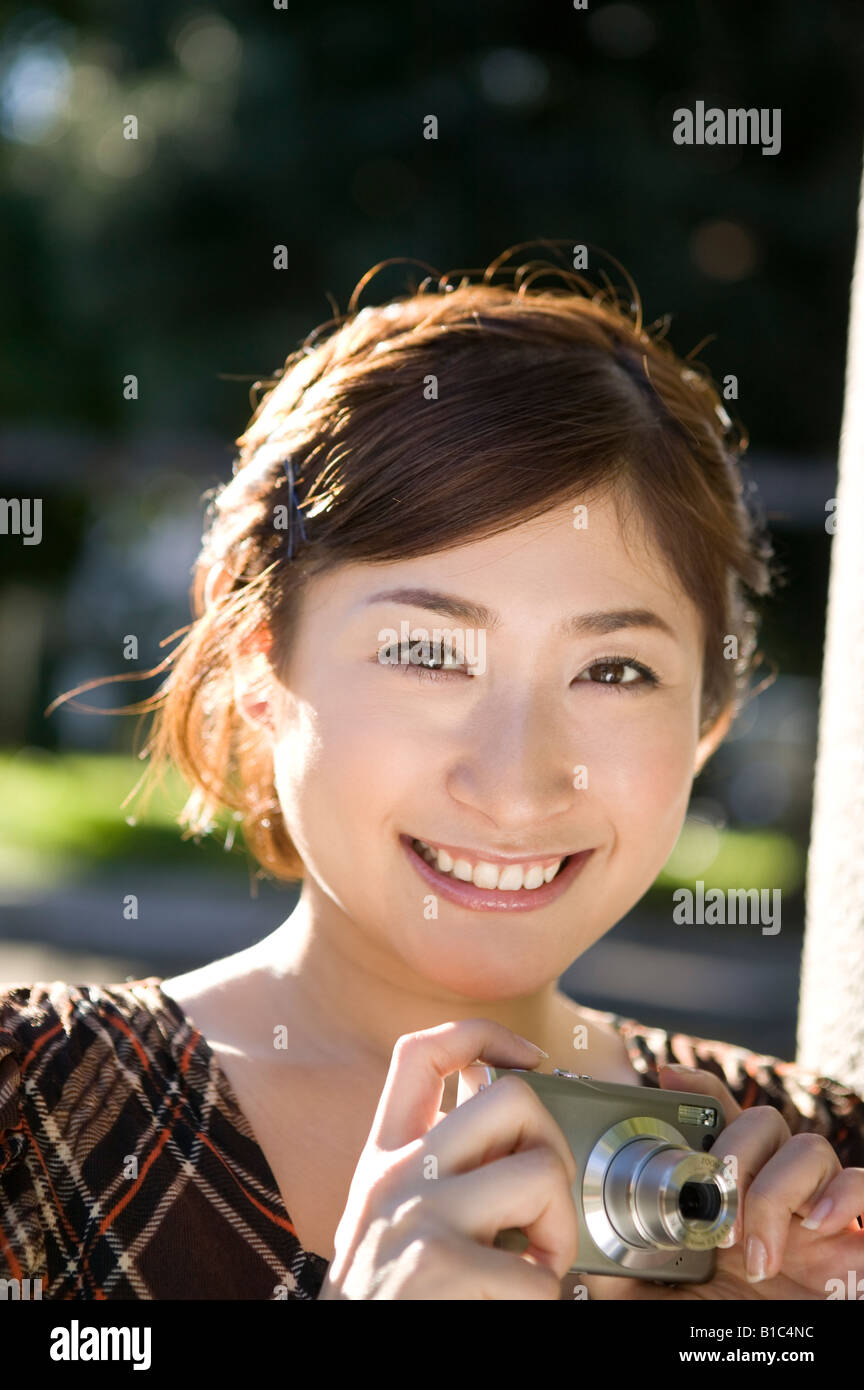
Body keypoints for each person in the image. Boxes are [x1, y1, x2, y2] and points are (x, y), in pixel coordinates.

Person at [2, 251, 862, 1301]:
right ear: (259, 658)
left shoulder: (822, 1179)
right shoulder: (35, 1118)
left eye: (614, 669)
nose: (516, 784)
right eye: (427, 652)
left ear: (709, 716)